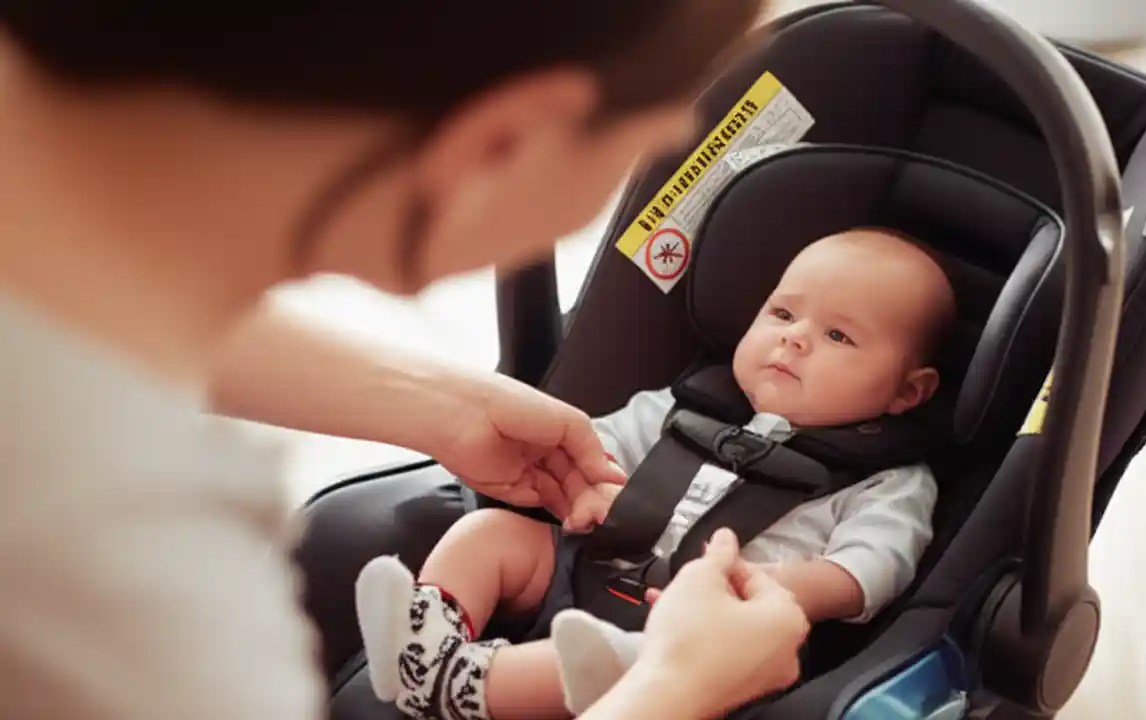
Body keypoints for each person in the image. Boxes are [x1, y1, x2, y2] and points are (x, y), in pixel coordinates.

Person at [0, 2, 812, 719]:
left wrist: (435, 401)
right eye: (647, 141)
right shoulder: (103, 578)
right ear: (503, 145)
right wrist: (672, 690)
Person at [354, 229, 959, 719]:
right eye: (782, 313)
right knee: (488, 536)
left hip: (714, 628)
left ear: (909, 391)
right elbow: (594, 450)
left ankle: (462, 685)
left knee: (648, 660)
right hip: (587, 561)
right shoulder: (685, 409)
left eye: (837, 334)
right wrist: (588, 492)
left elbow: (869, 569)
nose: (794, 338)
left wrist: (778, 584)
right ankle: (425, 636)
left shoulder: (888, 480)